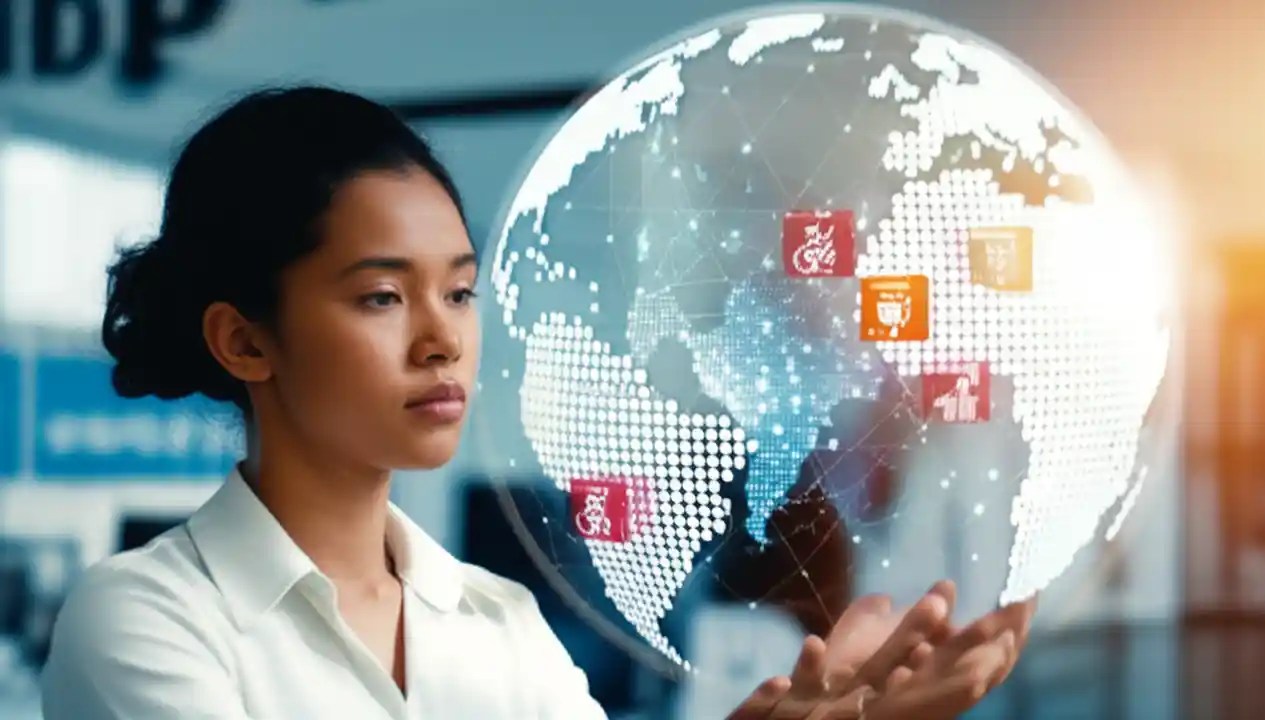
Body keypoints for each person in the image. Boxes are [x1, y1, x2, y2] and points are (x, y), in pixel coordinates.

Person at [39, 86, 1033, 719]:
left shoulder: (499, 625)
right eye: (381, 296)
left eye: (459, 292)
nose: (442, 339)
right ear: (244, 339)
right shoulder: (145, 622)